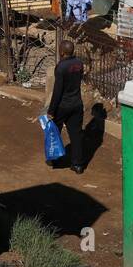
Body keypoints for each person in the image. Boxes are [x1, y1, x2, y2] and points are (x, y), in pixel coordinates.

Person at [47, 39, 87, 174]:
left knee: (55, 133)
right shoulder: (79, 64)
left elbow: (57, 91)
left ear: (62, 52)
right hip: (76, 103)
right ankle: (78, 165)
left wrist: (51, 110)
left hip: (62, 106)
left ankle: (56, 159)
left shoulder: (61, 67)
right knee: (76, 135)